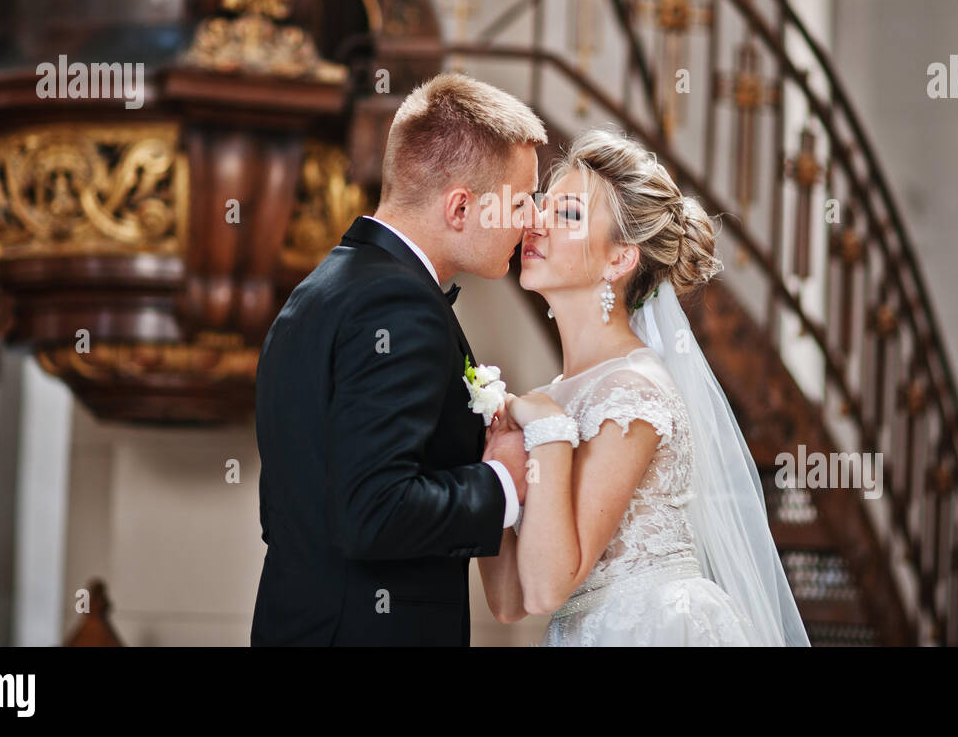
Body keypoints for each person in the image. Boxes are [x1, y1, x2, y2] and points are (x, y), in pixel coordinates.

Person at [479, 128, 811, 646]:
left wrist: (546, 429)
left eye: (566, 215)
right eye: (543, 205)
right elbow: (509, 601)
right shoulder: (556, 395)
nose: (535, 222)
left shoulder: (633, 392)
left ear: (619, 260)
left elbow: (547, 591)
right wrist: (494, 469)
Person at [251, 72, 543, 646]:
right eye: (520, 201)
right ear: (461, 208)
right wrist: (501, 482)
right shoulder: (398, 304)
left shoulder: (325, 287)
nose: (531, 219)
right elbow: (374, 510)